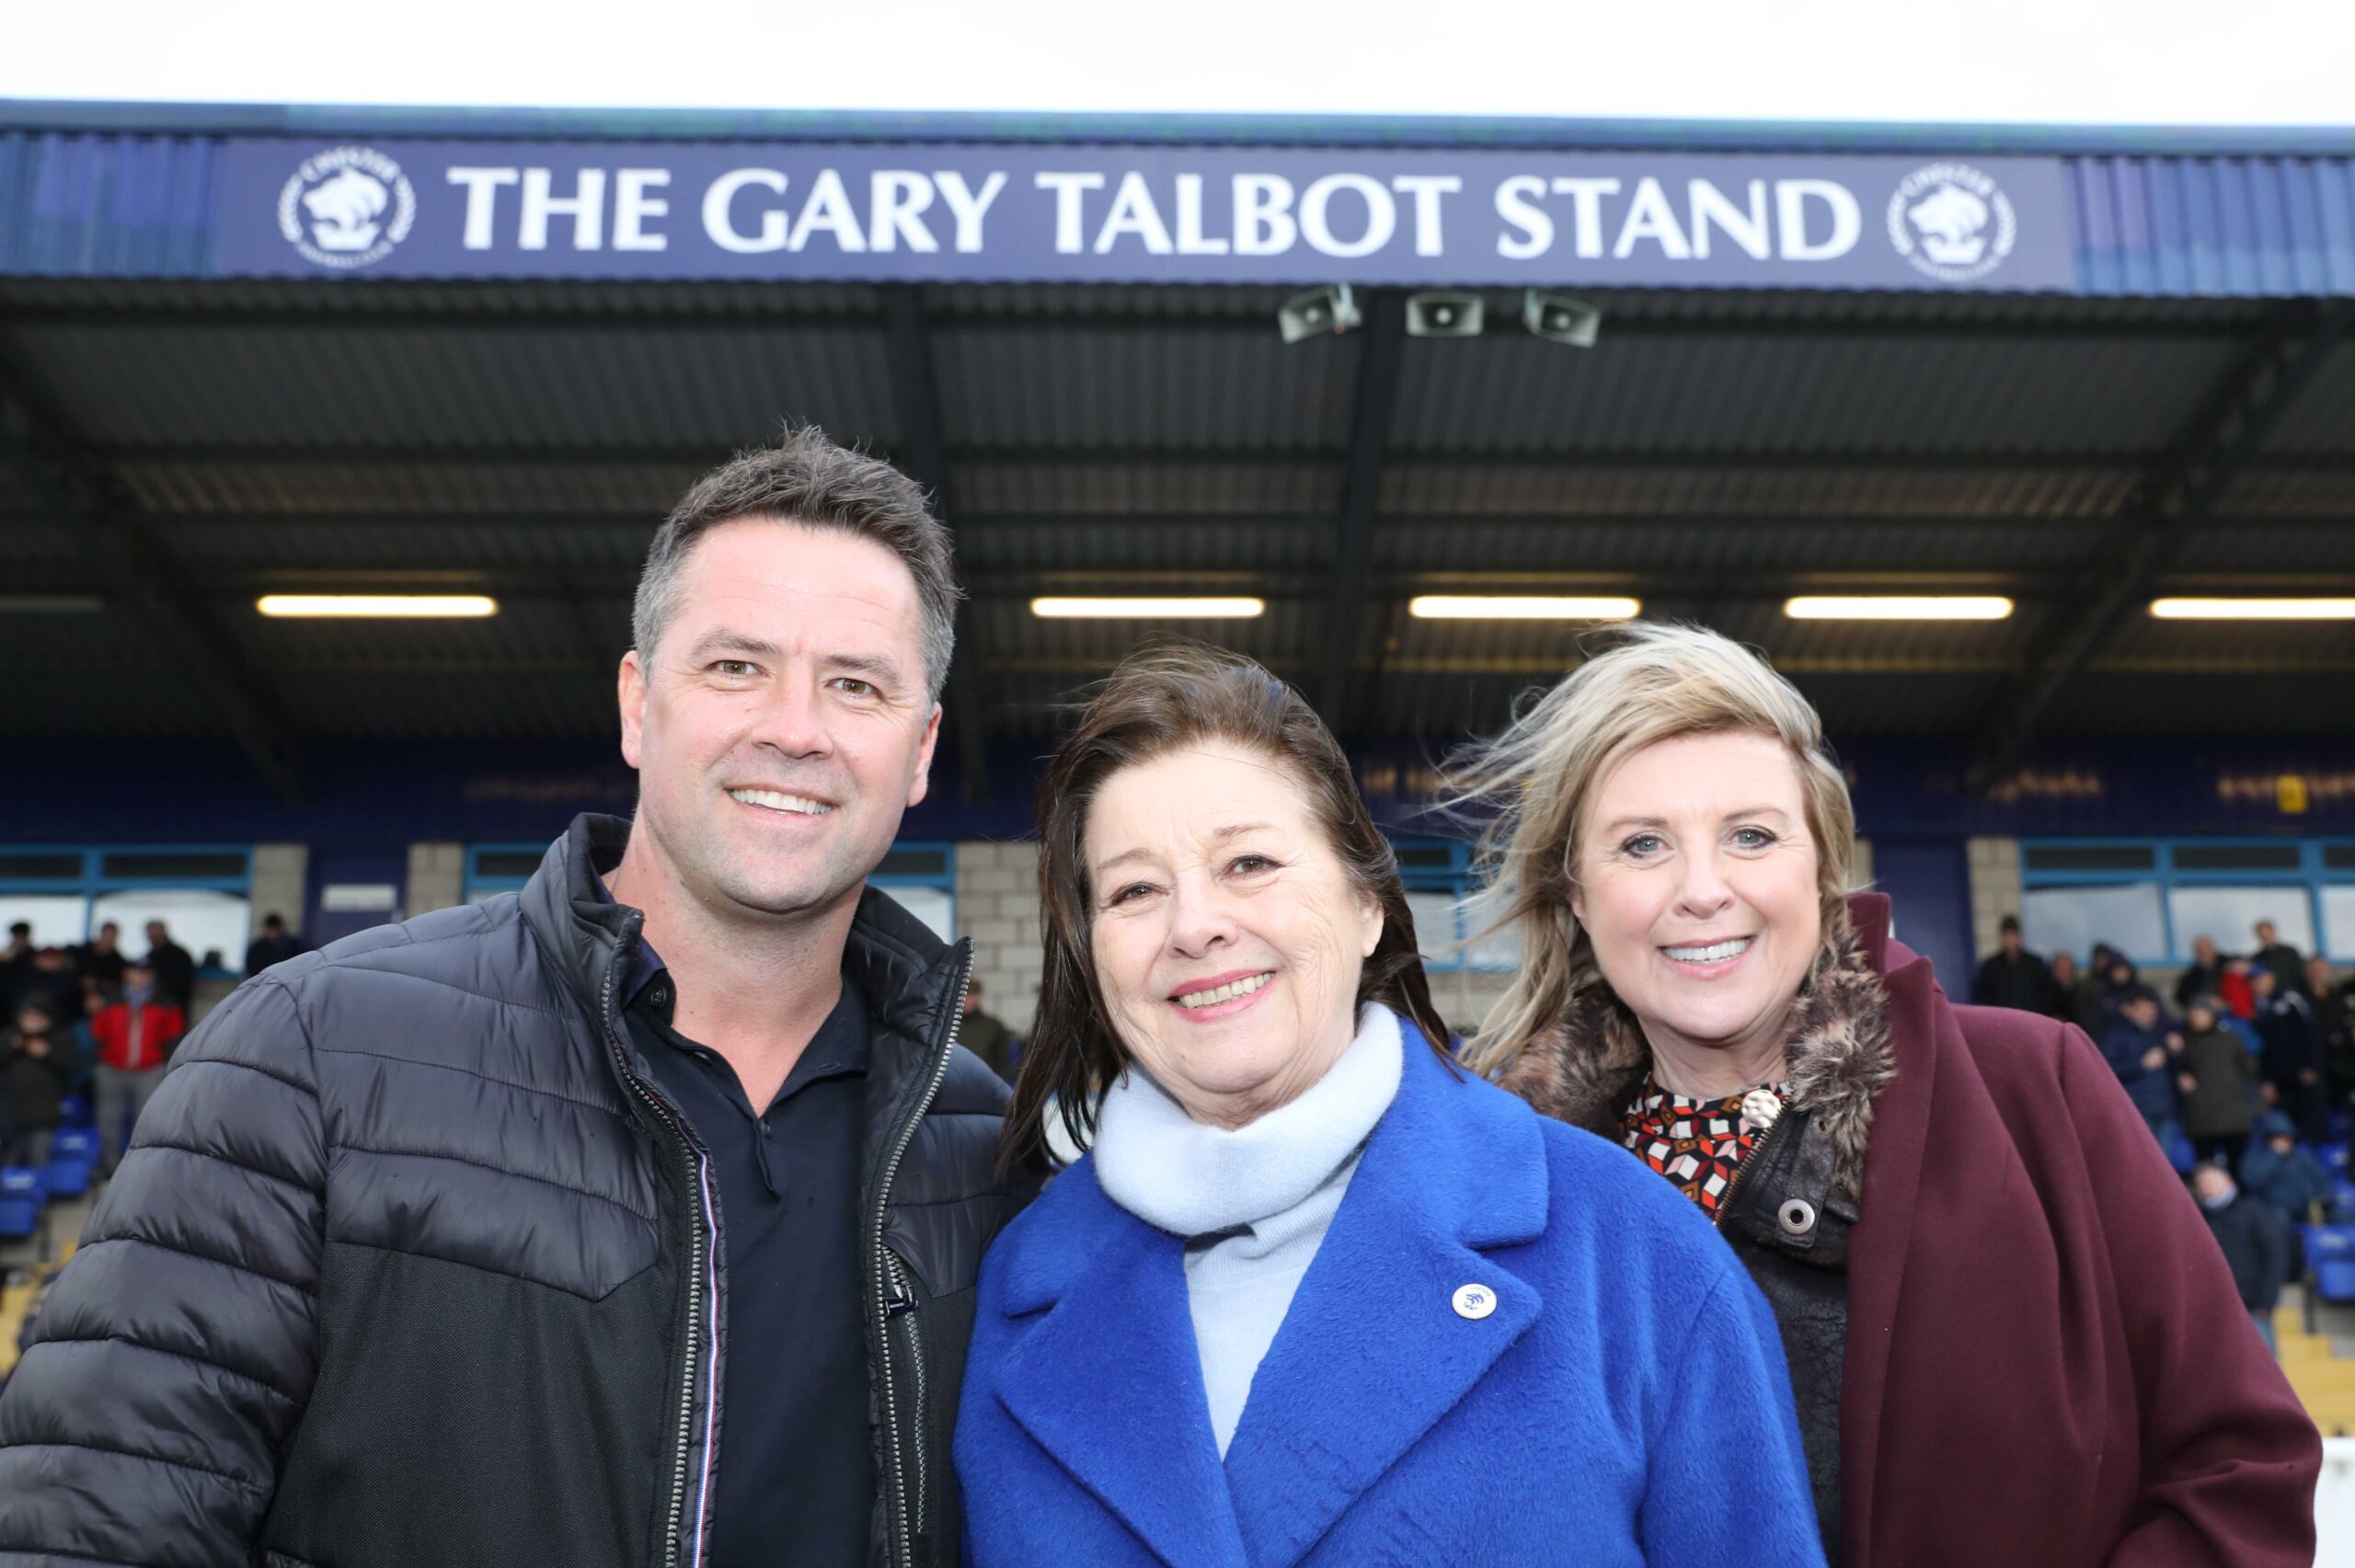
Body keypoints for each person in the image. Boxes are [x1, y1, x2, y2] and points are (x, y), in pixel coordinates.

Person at [0, 429, 1028, 1567]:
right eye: (736, 666)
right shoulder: (312, 1053)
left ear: (921, 748)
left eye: (856, 684)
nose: (794, 727)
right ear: (638, 705)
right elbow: (87, 1529)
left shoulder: (982, 1149)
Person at [1451, 622, 2316, 1567]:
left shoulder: (2034, 1086)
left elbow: (2242, 1468)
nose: (1701, 889)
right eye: (1642, 844)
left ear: (1821, 869)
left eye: (1750, 834)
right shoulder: (1508, 1190)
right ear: (1577, 895)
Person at [958, 646, 1822, 1568]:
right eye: (1134, 889)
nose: (1193, 924)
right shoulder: (1011, 1286)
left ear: (1367, 901)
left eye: (1249, 862)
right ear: (1091, 955)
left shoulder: (1632, 1249)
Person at [85, 959, 183, 1171]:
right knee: (108, 1122)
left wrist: (163, 1065)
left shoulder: (165, 1002)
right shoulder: (110, 1000)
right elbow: (96, 1034)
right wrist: (103, 1060)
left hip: (150, 1071)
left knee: (147, 1123)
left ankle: (139, 1170)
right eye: (134, 972)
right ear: (126, 975)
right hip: (112, 1070)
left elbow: (174, 1038)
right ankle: (109, 1169)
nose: (139, 977)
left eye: (144, 973)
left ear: (152, 977)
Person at [2195, 1163, 2292, 1357]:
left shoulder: (2253, 1210)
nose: (2206, 1186)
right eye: (2201, 1183)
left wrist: (2267, 1300)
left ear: (2228, 1180)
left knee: (2266, 1369)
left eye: (2211, 1180)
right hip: (2215, 1307)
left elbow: (2275, 1253)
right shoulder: (2198, 1217)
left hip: (2254, 1304)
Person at [2177, 996, 2261, 1173]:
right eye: (2194, 1013)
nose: (2197, 1017)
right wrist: (2179, 1074)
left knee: (2237, 1169)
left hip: (2233, 1115)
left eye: (2202, 1013)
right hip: (2202, 1117)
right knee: (2205, 1169)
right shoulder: (2182, 1042)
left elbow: (2250, 1071)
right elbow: (2177, 1071)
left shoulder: (2231, 1038)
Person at [2251, 966, 2328, 1144]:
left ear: (2271, 978)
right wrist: (2267, 1079)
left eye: (2259, 980)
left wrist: (2310, 1066)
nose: (2256, 985)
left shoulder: (2291, 999)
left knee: (2312, 1122)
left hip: (2303, 1075)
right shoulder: (2259, 1007)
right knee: (2287, 1127)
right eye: (2253, 981)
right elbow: (2264, 1049)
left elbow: (2311, 1034)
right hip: (2280, 1080)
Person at [2100, 990, 2182, 1150]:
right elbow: (2106, 1070)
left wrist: (2177, 1053)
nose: (2148, 1013)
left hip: (2165, 1108)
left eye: (2152, 1009)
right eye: (2143, 1008)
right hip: (2136, 1109)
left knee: (2164, 1165)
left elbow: (2176, 1071)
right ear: (2130, 1010)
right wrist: (2141, 1064)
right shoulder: (2116, 1035)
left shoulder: (2162, 1034)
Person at [2, 999, 79, 1169]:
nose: (32, 1021)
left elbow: (73, 1066)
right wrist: (13, 1046)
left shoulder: (59, 1037)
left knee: (39, 1164)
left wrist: (47, 1053)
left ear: (47, 1019)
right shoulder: (9, 1036)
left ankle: (41, 1195)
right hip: (10, 1116)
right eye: (28, 1015)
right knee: (8, 1165)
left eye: (37, 1016)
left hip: (43, 1116)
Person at [2243, 1112, 2333, 1227]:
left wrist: (2320, 1203)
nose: (2284, 1141)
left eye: (2287, 1137)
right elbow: (2253, 1180)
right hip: (2274, 1209)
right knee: (2279, 1220)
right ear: (2269, 1138)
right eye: (2279, 1137)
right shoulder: (2256, 1155)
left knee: (2343, 1215)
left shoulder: (2301, 1156)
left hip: (2306, 1207)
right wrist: (2274, 1155)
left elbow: (2321, 1182)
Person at [1970, 914, 2051, 1013]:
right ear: (2001, 938)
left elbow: (2045, 993)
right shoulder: (1990, 965)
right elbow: (1982, 994)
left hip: (2030, 1018)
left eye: (2012, 935)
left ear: (2018, 937)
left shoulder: (2034, 963)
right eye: (2005, 935)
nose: (2009, 939)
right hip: (2001, 1019)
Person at [959, 976, 1016, 1082]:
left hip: (983, 1086)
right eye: (962, 995)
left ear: (978, 997)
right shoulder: (946, 1027)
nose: (965, 1000)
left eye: (970, 995)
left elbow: (1003, 1064)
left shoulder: (993, 1026)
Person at [141, 919, 196, 1013]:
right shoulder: (149, 957)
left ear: (163, 933)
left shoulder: (180, 955)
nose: (153, 939)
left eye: (156, 935)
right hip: (152, 1009)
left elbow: (182, 984)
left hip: (173, 1007)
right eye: (151, 936)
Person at [2252, 919, 2309, 1001]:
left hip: (2294, 995)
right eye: (2262, 934)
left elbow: (2301, 973)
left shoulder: (2290, 952)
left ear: (2274, 932)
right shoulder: (2257, 958)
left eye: (2267, 933)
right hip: (2270, 999)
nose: (2265, 936)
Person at [243, 911, 306, 978]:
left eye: (275, 930)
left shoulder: (292, 946)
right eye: (270, 930)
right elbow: (251, 971)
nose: (273, 934)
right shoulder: (256, 949)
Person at [2176, 933, 2226, 1013]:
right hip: (2204, 1015)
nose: (2204, 952)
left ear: (2213, 949)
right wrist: (2205, 1000)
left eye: (2206, 948)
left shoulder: (2229, 965)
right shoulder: (2188, 978)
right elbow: (2182, 998)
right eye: (2200, 950)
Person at [75, 920, 127, 991]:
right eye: (107, 935)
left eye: (112, 936)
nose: (109, 939)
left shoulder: (118, 961)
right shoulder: (84, 951)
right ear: (101, 934)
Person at [2044, 950, 2080, 1022]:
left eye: (2065, 967)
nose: (2062, 971)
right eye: (2059, 967)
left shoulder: (2081, 991)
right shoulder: (2045, 989)